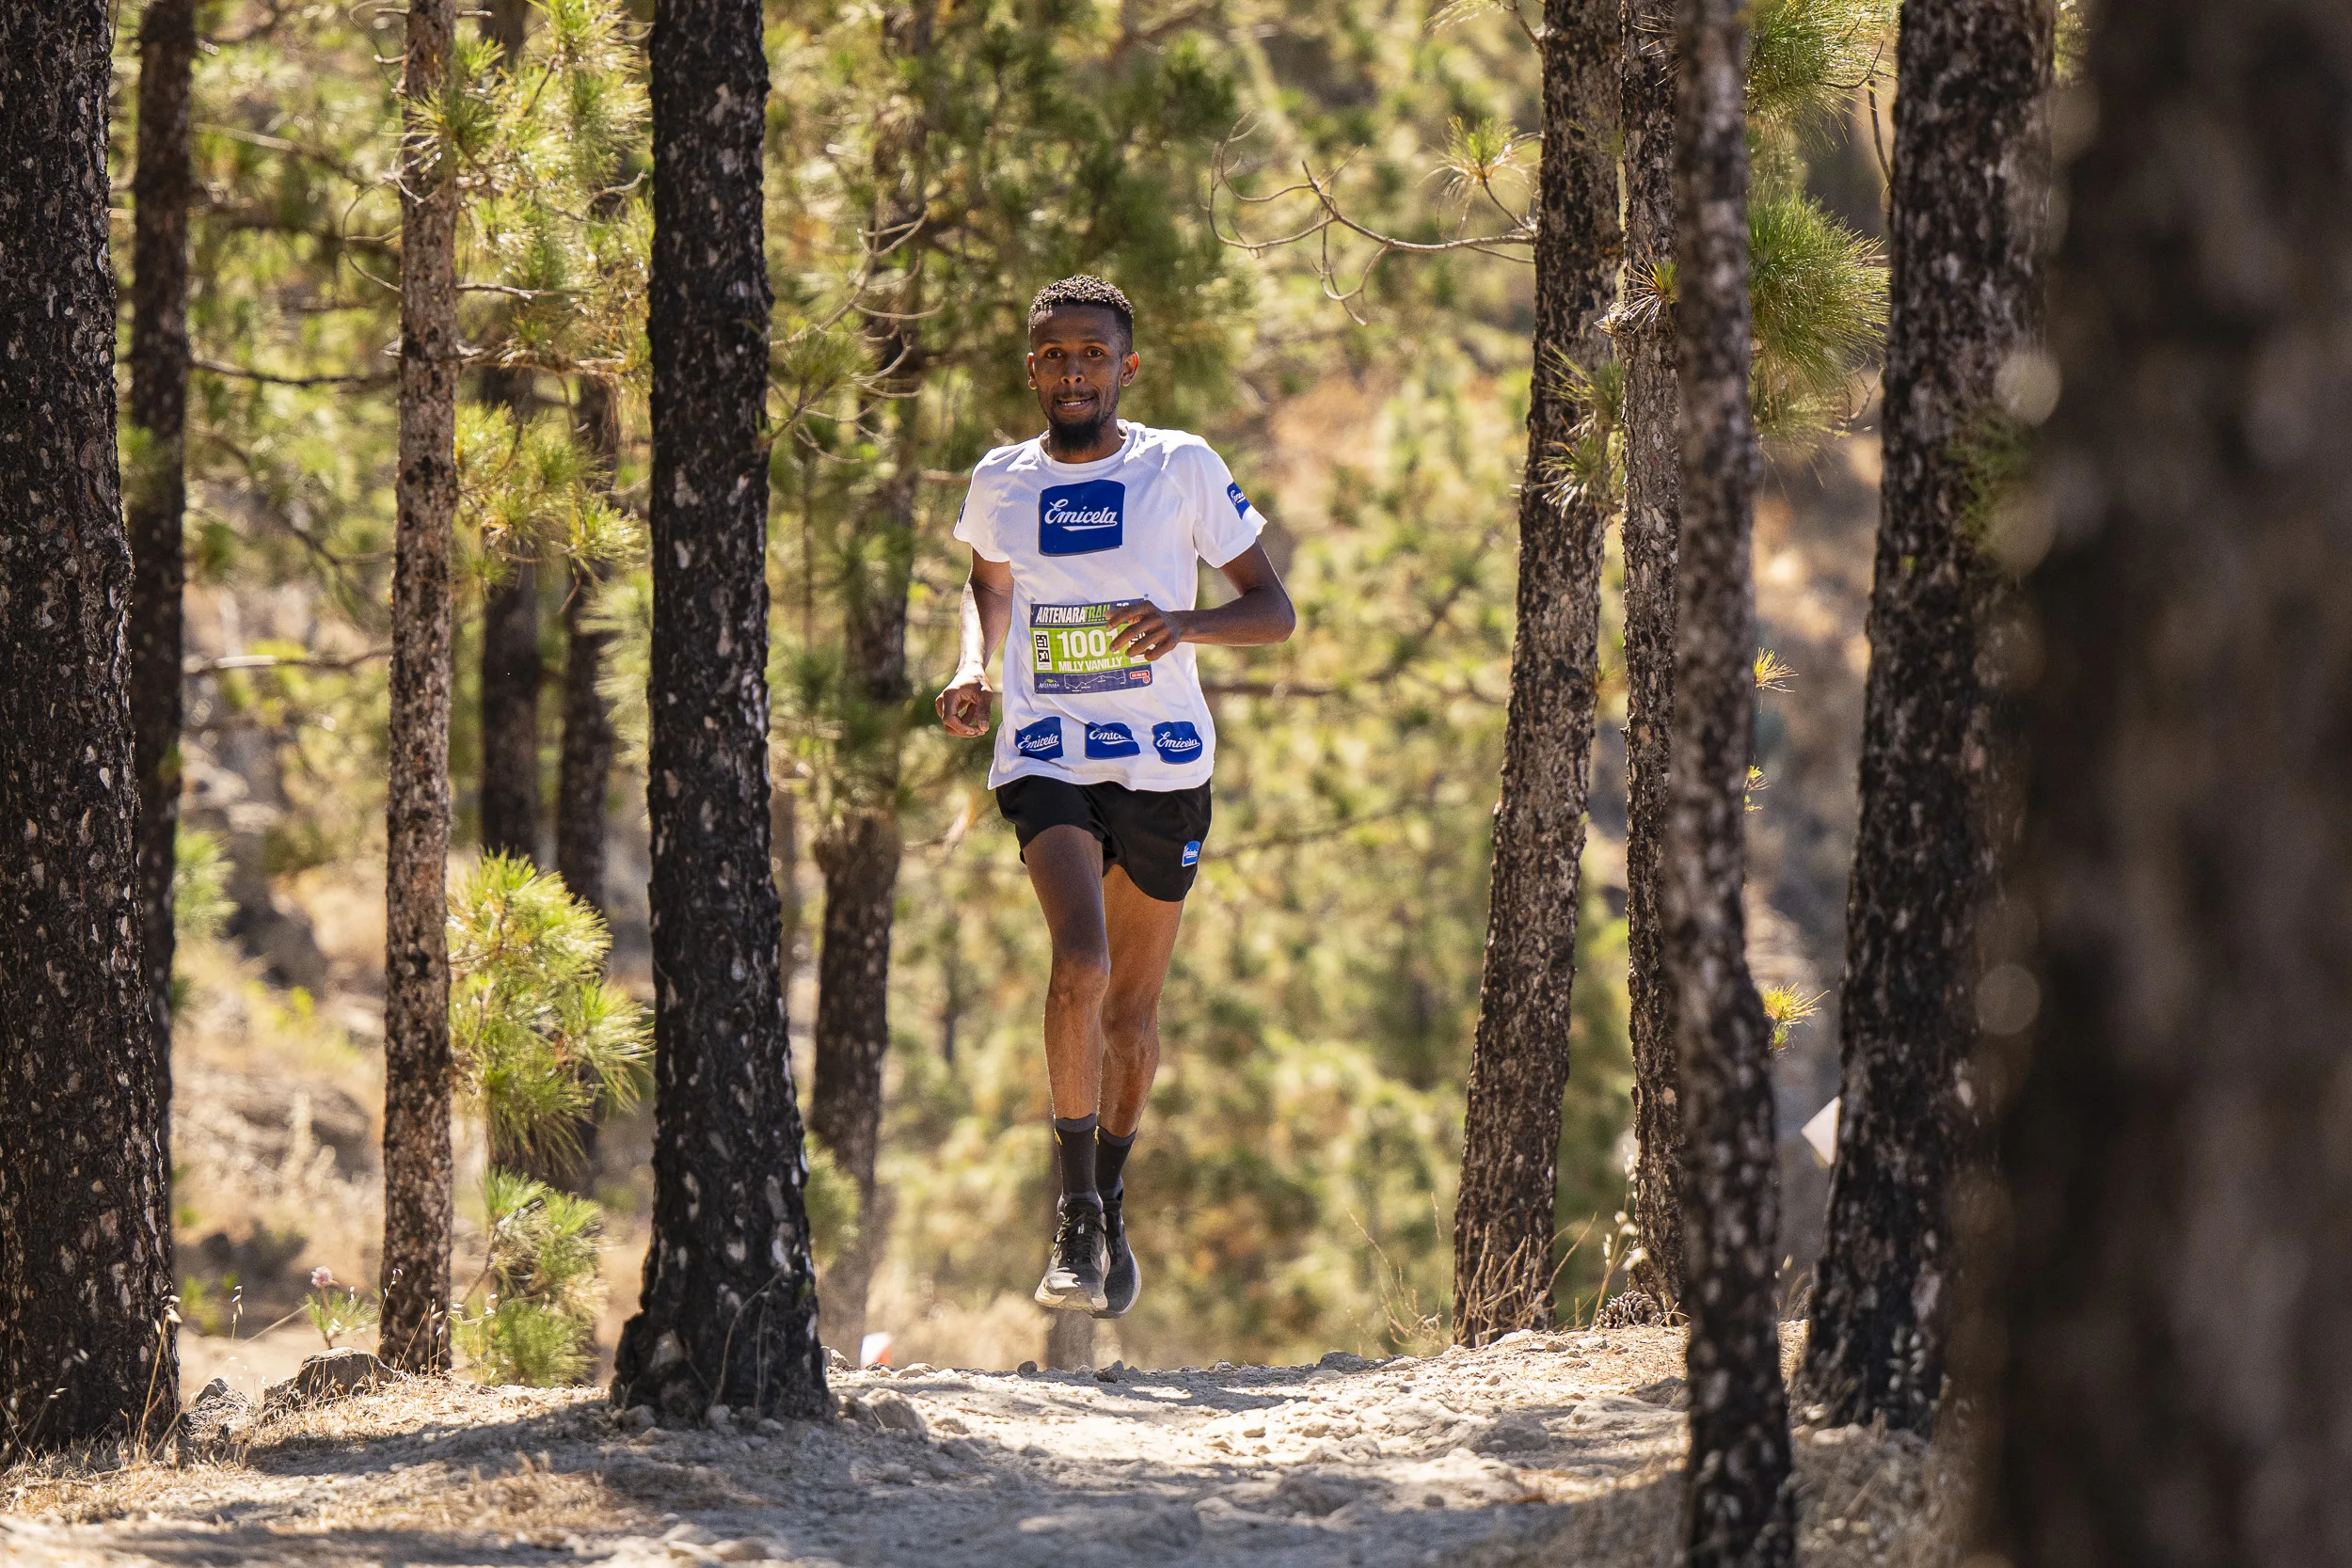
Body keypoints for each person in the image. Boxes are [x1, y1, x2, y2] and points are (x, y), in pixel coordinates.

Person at [936, 276, 1295, 1319]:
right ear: (1031, 368)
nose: (1072, 371)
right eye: (1053, 354)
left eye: (1092, 353)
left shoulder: (1178, 464)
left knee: (1132, 1018)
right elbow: (990, 584)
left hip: (1164, 761)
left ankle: (1113, 1193)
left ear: (1125, 367)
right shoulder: (1000, 479)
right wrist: (975, 667)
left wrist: (1183, 626)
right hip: (1045, 748)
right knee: (1078, 963)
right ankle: (1074, 1214)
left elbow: (1270, 610)